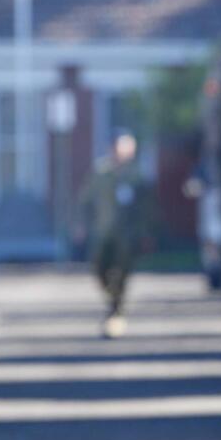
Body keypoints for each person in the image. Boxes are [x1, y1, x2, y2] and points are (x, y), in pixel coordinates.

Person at [76, 132, 157, 337]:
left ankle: (116, 309)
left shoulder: (136, 175)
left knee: (122, 272)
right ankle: (113, 301)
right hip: (103, 232)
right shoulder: (100, 172)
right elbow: (85, 200)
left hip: (127, 235)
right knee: (100, 269)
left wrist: (146, 233)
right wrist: (80, 225)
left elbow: (146, 208)